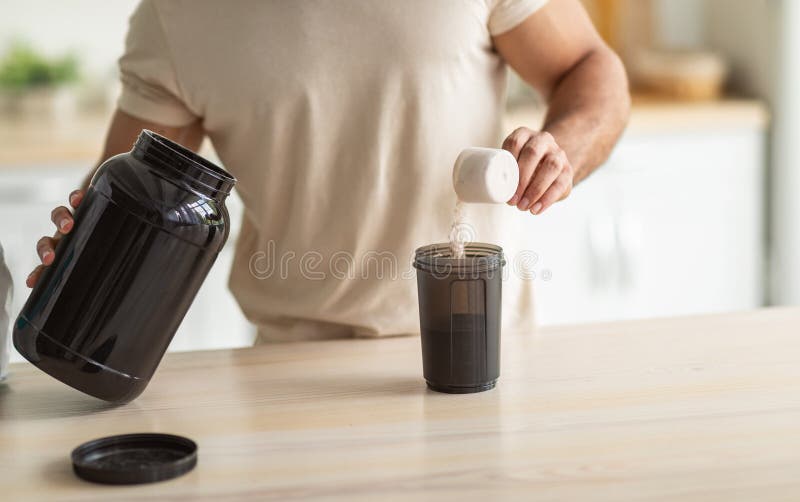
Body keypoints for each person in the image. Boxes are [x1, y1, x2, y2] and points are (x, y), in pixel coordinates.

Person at [27, 0, 629, 342]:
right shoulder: (178, 15)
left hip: (478, 344)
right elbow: (131, 196)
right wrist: (84, 253)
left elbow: (587, 64)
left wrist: (562, 151)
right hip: (290, 369)